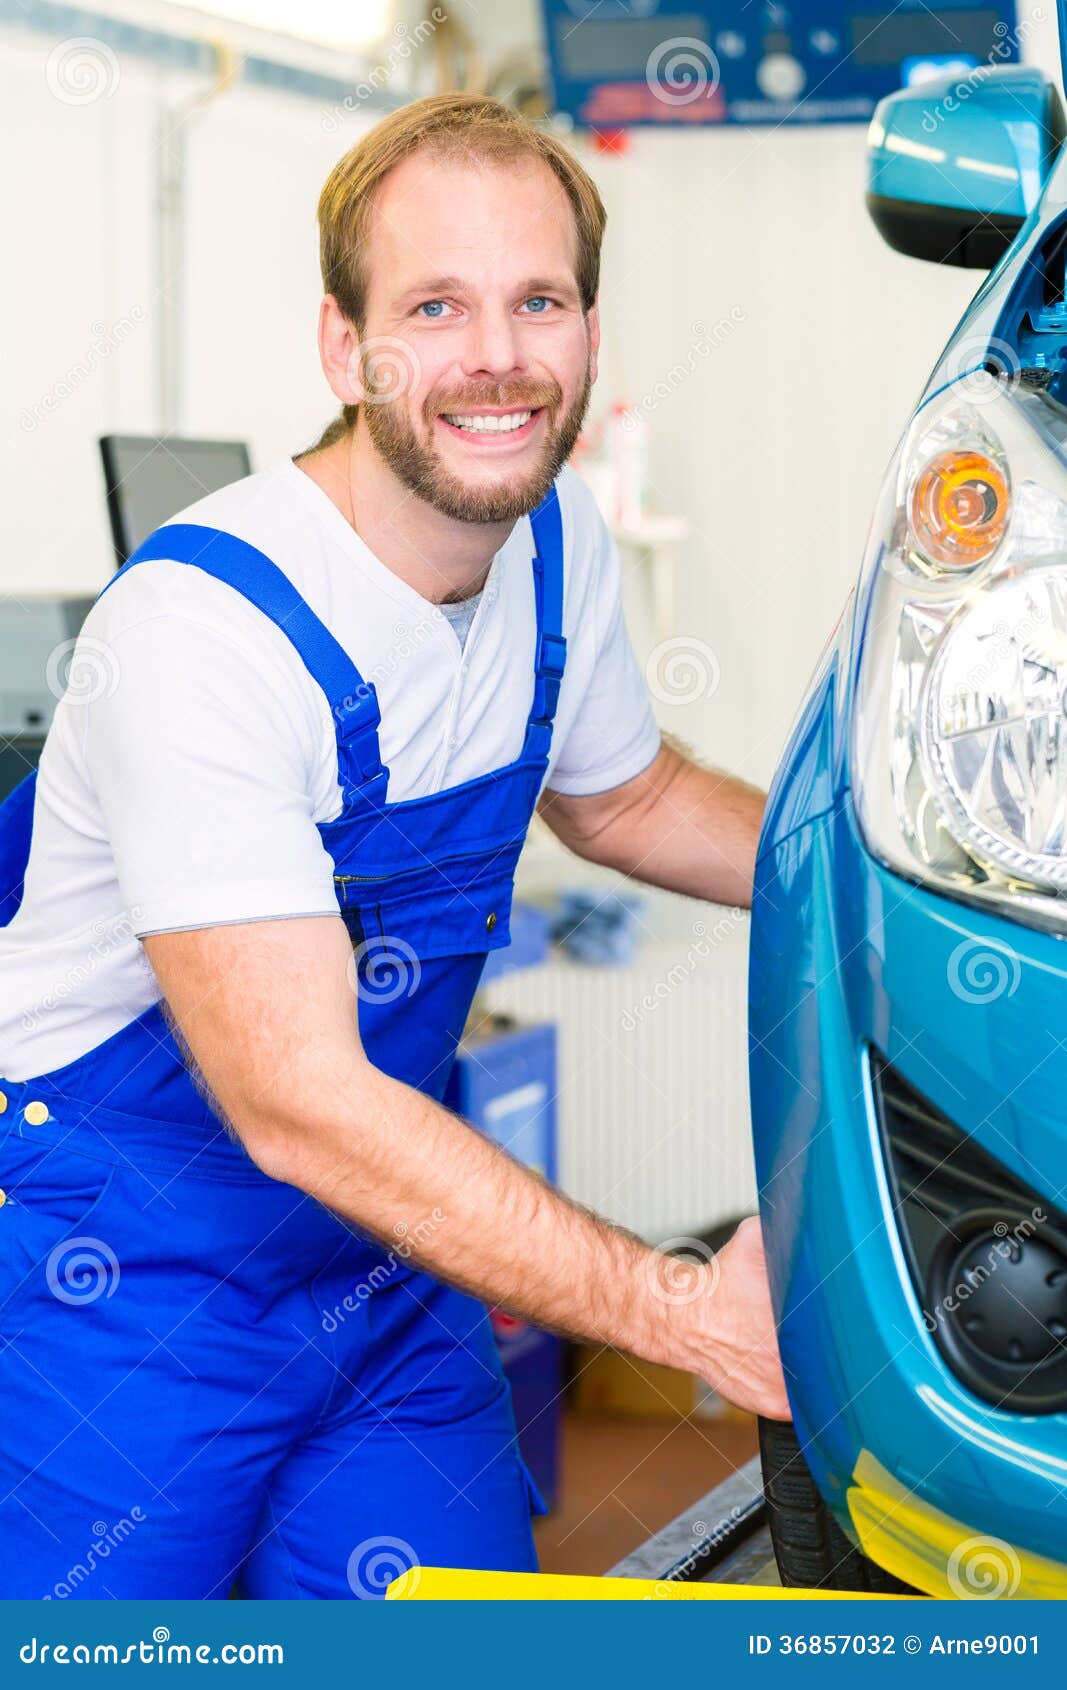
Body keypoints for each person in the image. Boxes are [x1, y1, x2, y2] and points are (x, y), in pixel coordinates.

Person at [0, 92, 787, 1600]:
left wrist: (887, 886)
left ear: (590, 332)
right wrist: (678, 1312)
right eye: (435, 306)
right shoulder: (205, 631)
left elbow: (623, 801)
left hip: (378, 1271)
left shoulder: (556, 539)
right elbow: (298, 1102)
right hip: (124, 1288)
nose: (498, 356)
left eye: (538, 300)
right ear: (343, 346)